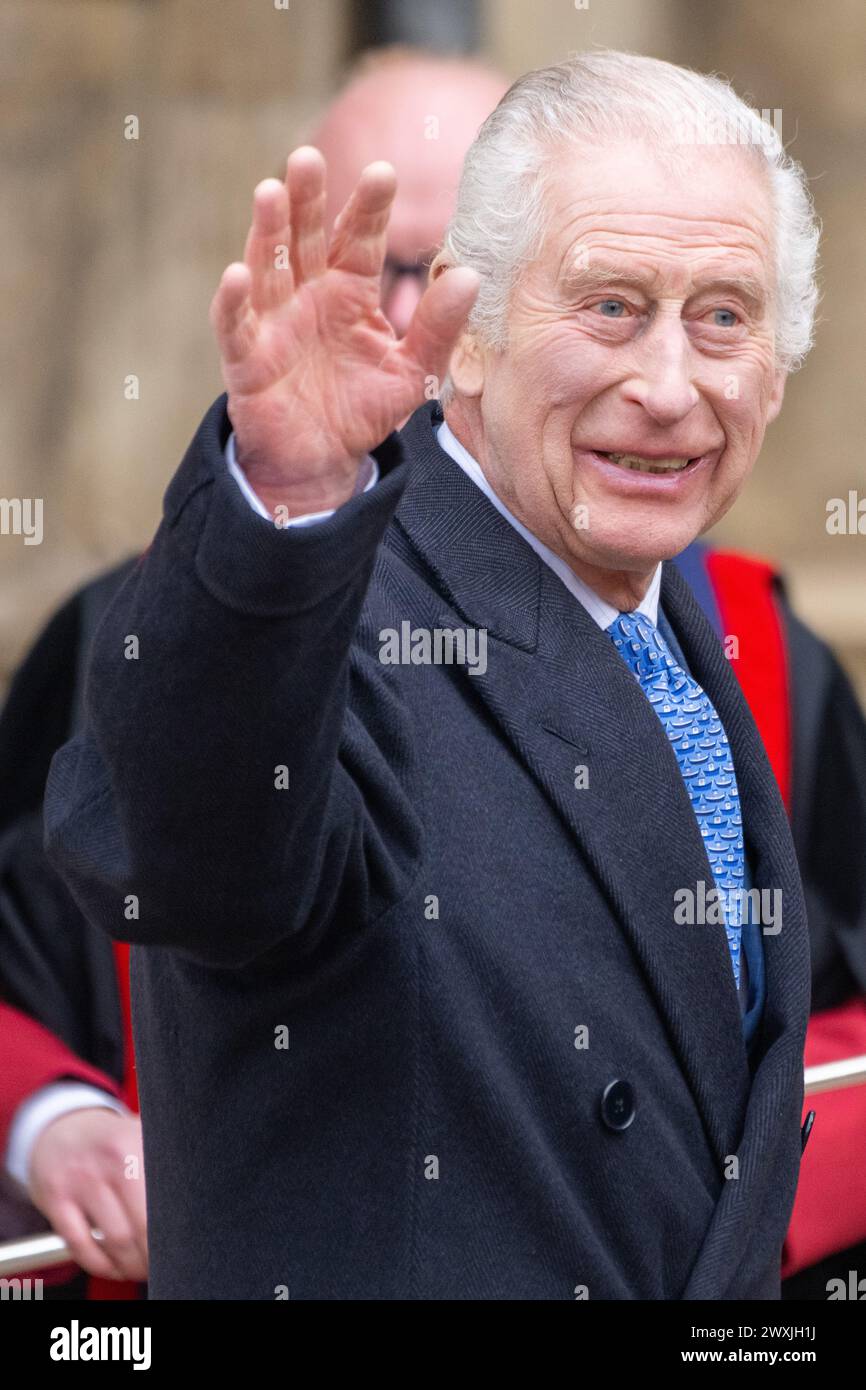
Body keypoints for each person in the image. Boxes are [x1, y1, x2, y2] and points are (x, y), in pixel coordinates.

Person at [44, 51, 825, 1299]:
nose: (670, 387)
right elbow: (175, 859)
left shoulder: (678, 617)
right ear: (465, 337)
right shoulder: (346, 604)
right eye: (610, 306)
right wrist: (284, 503)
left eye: (723, 316)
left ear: (777, 371)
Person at [0, 49, 507, 1296]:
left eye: (460, 270)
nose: (404, 318)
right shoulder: (139, 632)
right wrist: (47, 1118)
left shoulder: (722, 649)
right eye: (367, 259)